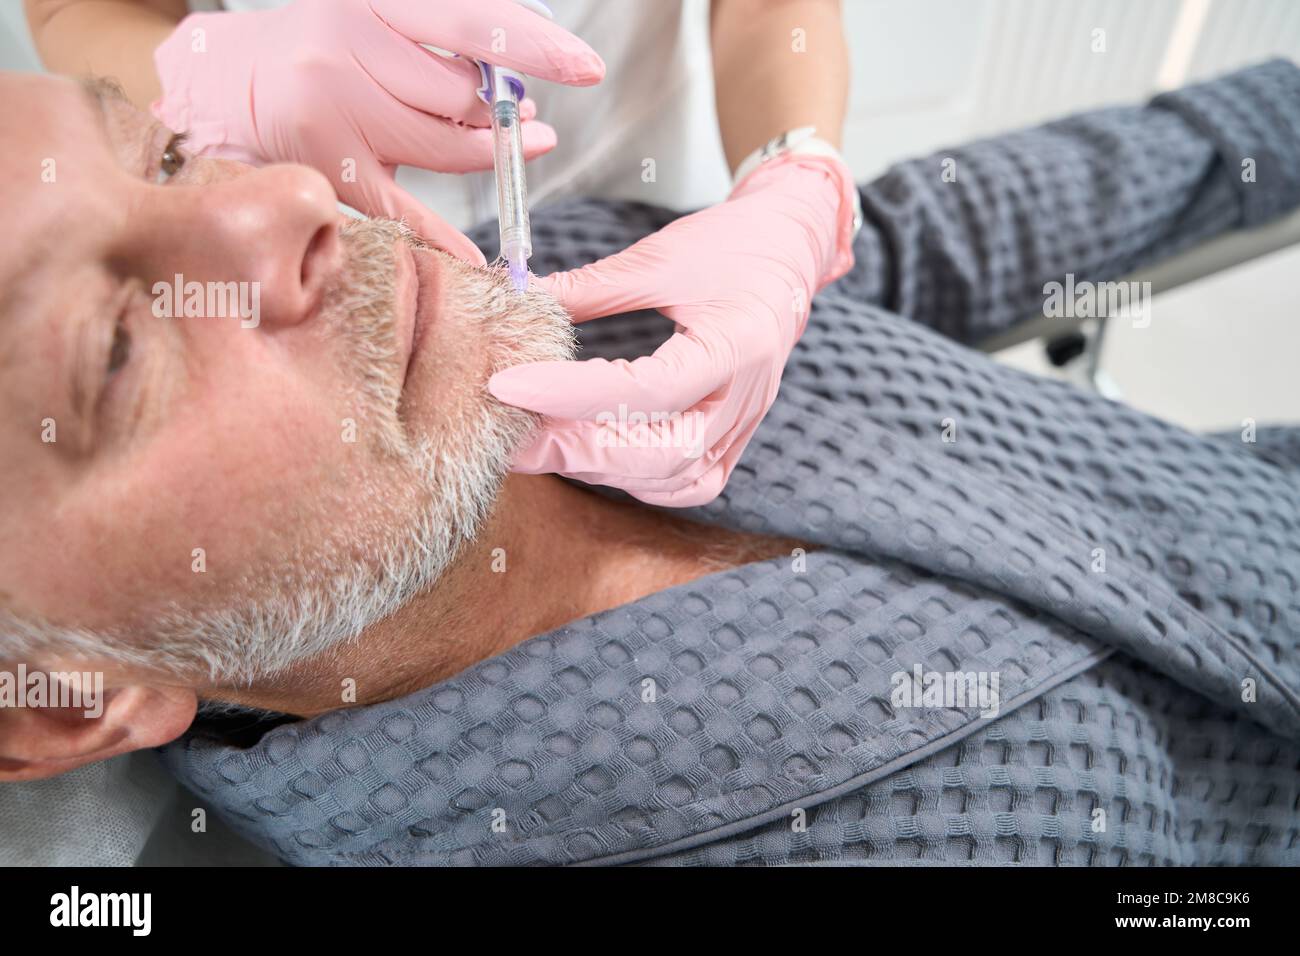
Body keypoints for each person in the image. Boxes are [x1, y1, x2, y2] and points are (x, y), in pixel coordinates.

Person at [2, 58, 1299, 865]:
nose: (283, 198)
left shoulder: (577, 283)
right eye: (118, 347)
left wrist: (803, 186)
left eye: (168, 155)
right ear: (65, 701)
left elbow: (953, 236)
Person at [24, 0, 858, 504]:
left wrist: (793, 177)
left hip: (657, 200)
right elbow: (75, 10)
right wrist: (217, 74)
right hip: (317, 191)